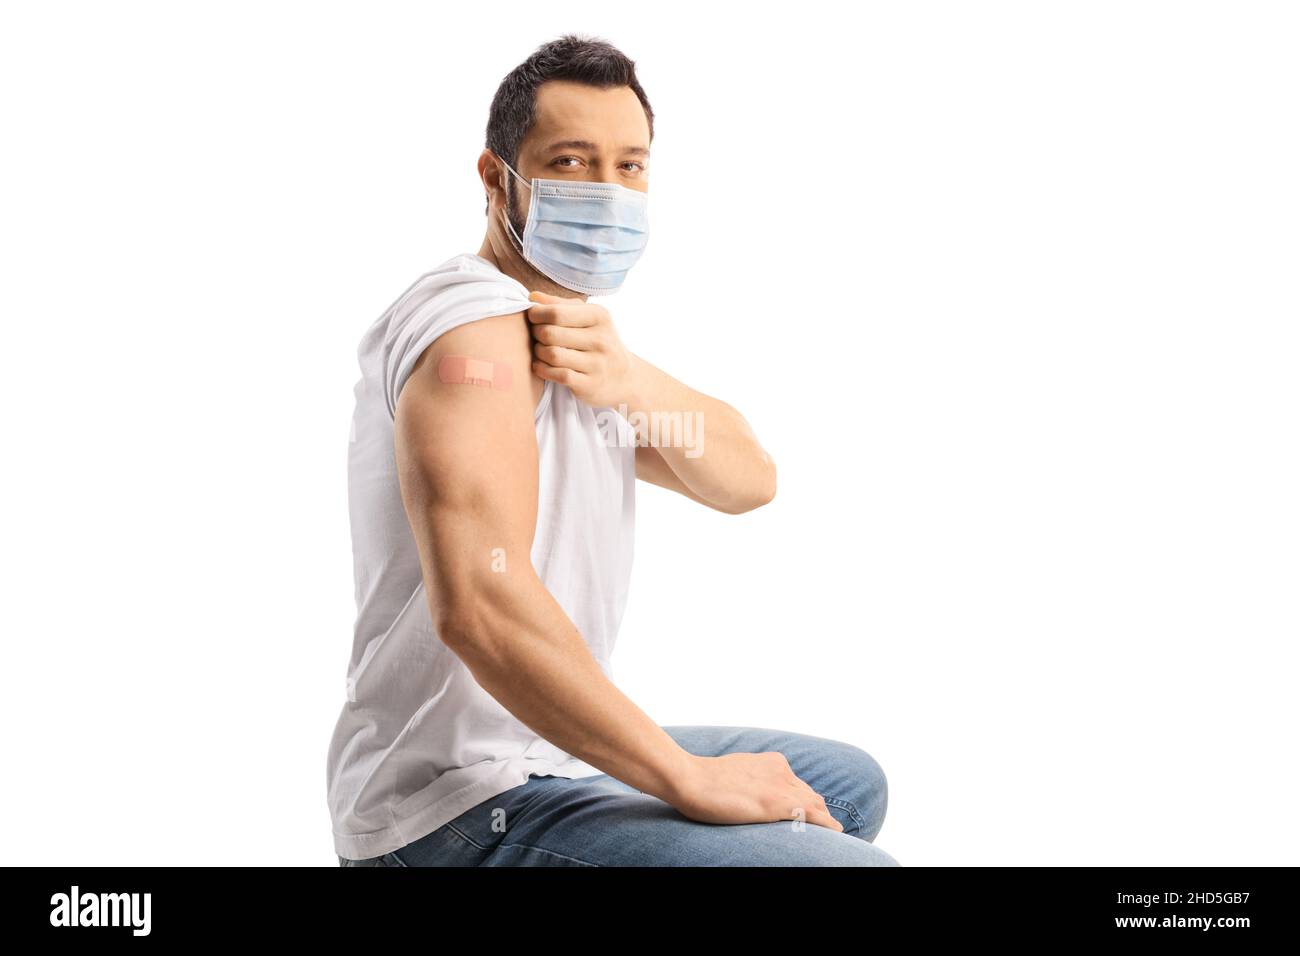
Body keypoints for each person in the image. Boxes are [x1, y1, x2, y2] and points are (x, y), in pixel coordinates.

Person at [326, 33, 899, 867]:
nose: (607, 191)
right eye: (571, 160)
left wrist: (629, 381)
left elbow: (747, 481)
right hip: (451, 805)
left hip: (539, 755)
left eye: (629, 165)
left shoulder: (572, 342)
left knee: (845, 784)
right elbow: (479, 609)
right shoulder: (473, 332)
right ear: (497, 180)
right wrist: (684, 778)